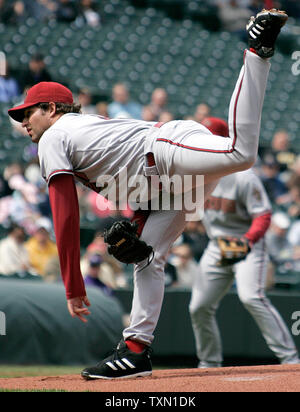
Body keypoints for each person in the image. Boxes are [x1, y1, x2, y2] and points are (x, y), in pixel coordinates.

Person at [7, 8, 288, 380]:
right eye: (20, 116)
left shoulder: (54, 136)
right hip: (166, 184)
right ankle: (136, 351)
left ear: (51, 109)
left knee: (240, 153)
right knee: (146, 257)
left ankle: (256, 50)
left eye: (28, 113)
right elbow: (136, 187)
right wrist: (138, 227)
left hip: (165, 147)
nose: (23, 121)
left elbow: (65, 210)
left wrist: (73, 285)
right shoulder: (80, 135)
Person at [189, 118, 299, 368]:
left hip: (247, 244)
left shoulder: (243, 177)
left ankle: (291, 361)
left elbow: (263, 215)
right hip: (217, 245)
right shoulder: (197, 174)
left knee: (252, 297)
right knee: (199, 306)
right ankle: (209, 363)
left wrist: (247, 241)